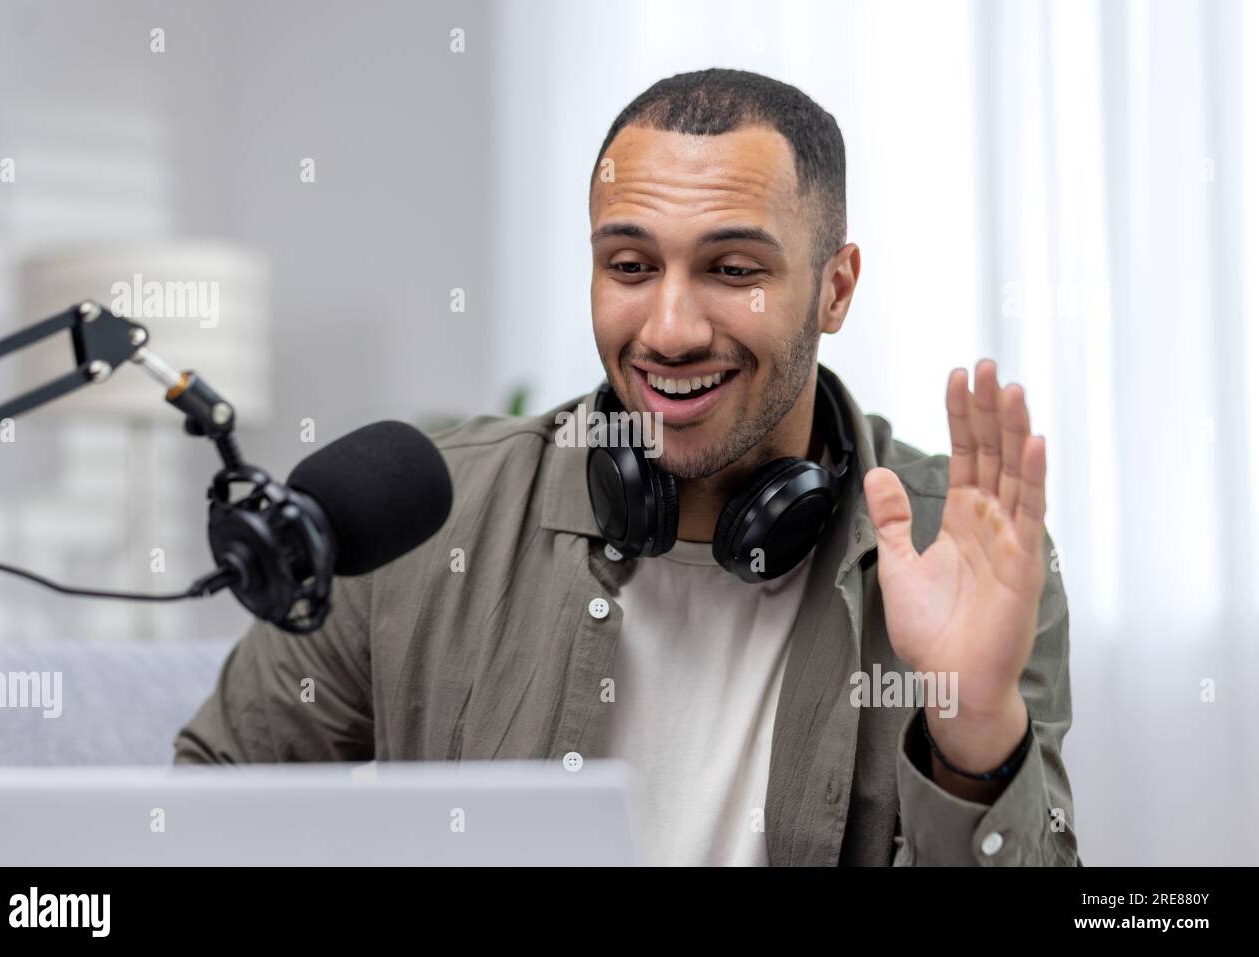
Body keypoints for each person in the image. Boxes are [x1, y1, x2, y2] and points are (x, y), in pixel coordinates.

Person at [176, 68, 1078, 867]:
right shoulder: (428, 522)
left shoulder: (967, 557)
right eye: (631, 265)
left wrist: (972, 736)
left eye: (731, 268)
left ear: (835, 288)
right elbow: (203, 811)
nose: (671, 329)